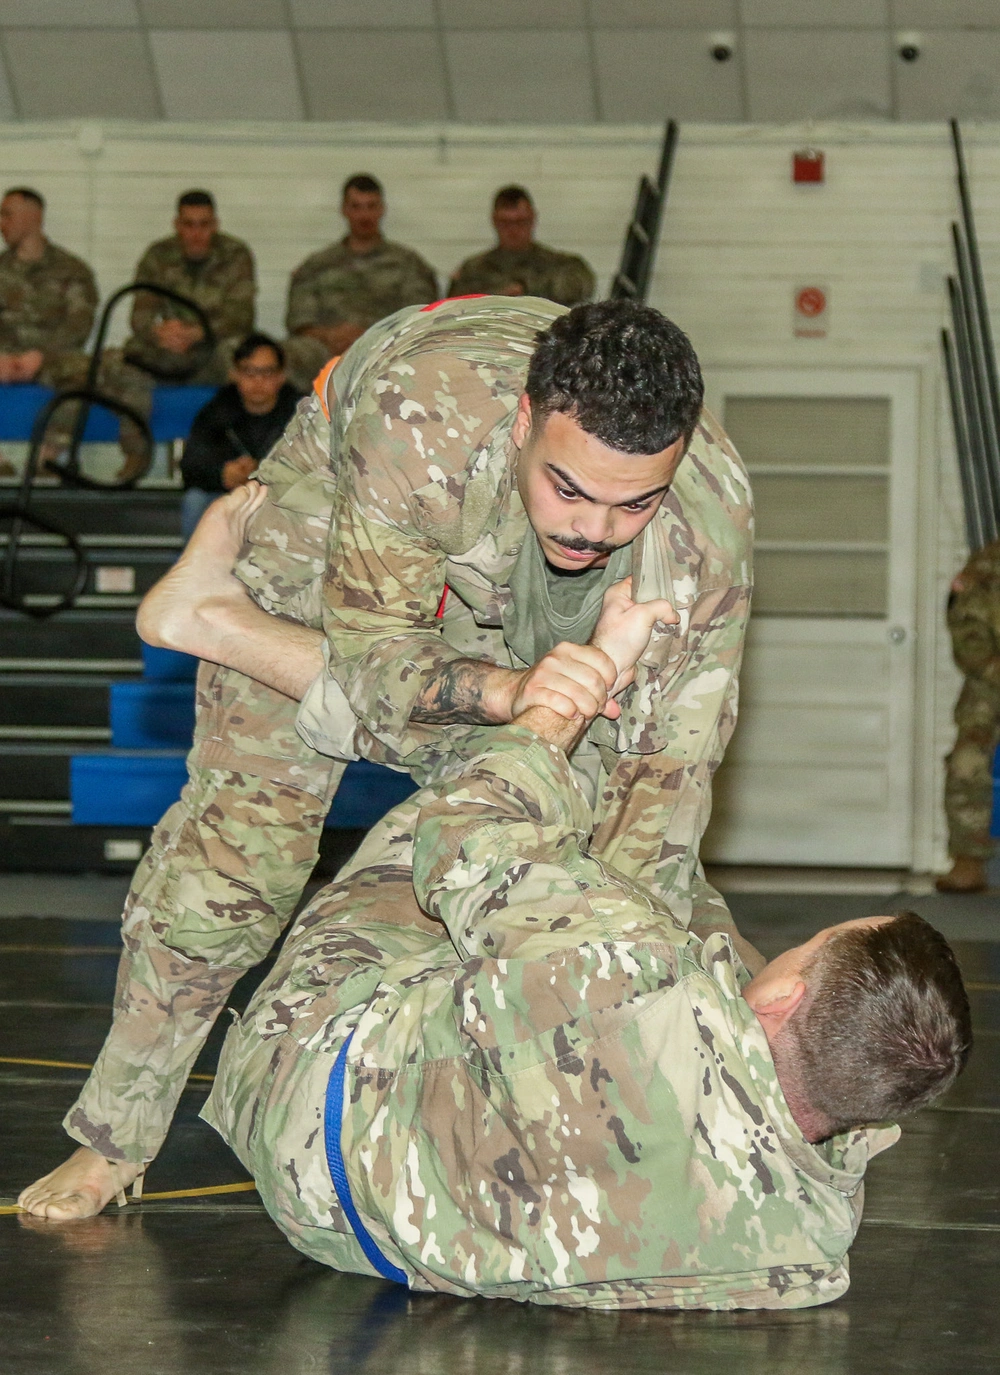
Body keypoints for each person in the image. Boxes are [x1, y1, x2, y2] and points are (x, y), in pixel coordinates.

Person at [19, 296, 754, 1221]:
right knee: (247, 847)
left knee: (583, 826)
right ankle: (112, 1138)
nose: (597, 529)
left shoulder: (701, 535)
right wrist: (508, 695)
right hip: (349, 489)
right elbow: (377, 669)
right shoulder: (425, 422)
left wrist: (611, 990)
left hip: (497, 536)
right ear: (527, 422)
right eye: (571, 489)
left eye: (632, 502)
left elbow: (665, 801)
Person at [198, 585, 971, 1309]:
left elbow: (466, 833)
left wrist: (559, 707)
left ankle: (220, 624)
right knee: (609, 881)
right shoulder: (811, 1248)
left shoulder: (625, 976)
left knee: (477, 783)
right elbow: (698, 960)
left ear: (784, 997)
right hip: (390, 1241)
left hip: (302, 1096)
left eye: (808, 944)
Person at [94, 190, 256, 482]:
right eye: (189, 224)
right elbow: (139, 314)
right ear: (177, 225)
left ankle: (245, 455)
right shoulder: (158, 256)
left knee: (247, 360)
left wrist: (197, 333)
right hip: (166, 352)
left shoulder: (235, 255)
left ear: (215, 225)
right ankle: (137, 454)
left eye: (203, 225)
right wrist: (160, 333)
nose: (196, 233)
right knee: (123, 361)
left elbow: (242, 315)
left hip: (211, 353)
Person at [283, 173, 437, 390]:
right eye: (356, 207)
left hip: (385, 348)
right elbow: (299, 321)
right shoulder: (316, 265)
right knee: (285, 355)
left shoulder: (408, 263)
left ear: (382, 209)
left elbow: (421, 317)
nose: (364, 215)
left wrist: (366, 335)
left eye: (371, 206)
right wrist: (332, 336)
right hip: (326, 352)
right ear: (344, 210)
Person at [178, 332, 300, 539]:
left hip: (283, 498)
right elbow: (190, 466)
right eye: (249, 372)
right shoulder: (216, 411)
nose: (258, 381)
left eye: (267, 372)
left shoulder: (302, 413)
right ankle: (200, 570)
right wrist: (222, 474)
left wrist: (262, 474)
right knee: (195, 500)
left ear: (281, 377)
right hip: (229, 495)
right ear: (234, 375)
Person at [937, 542, 1000, 892]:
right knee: (967, 762)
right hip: (991, 682)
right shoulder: (990, 563)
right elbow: (966, 625)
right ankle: (968, 859)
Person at [0, 186, 98, 389]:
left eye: (8, 215)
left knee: (95, 377)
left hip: (52, 360)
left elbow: (79, 325)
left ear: (34, 216)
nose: (2, 223)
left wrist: (41, 355)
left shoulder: (71, 270)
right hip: (3, 359)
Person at [448, 185, 596, 308]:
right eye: (506, 223)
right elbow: (453, 305)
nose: (513, 230)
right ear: (494, 221)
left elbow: (581, 287)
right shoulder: (473, 268)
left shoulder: (561, 264)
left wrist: (526, 288)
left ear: (532, 219)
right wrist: (499, 295)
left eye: (520, 222)